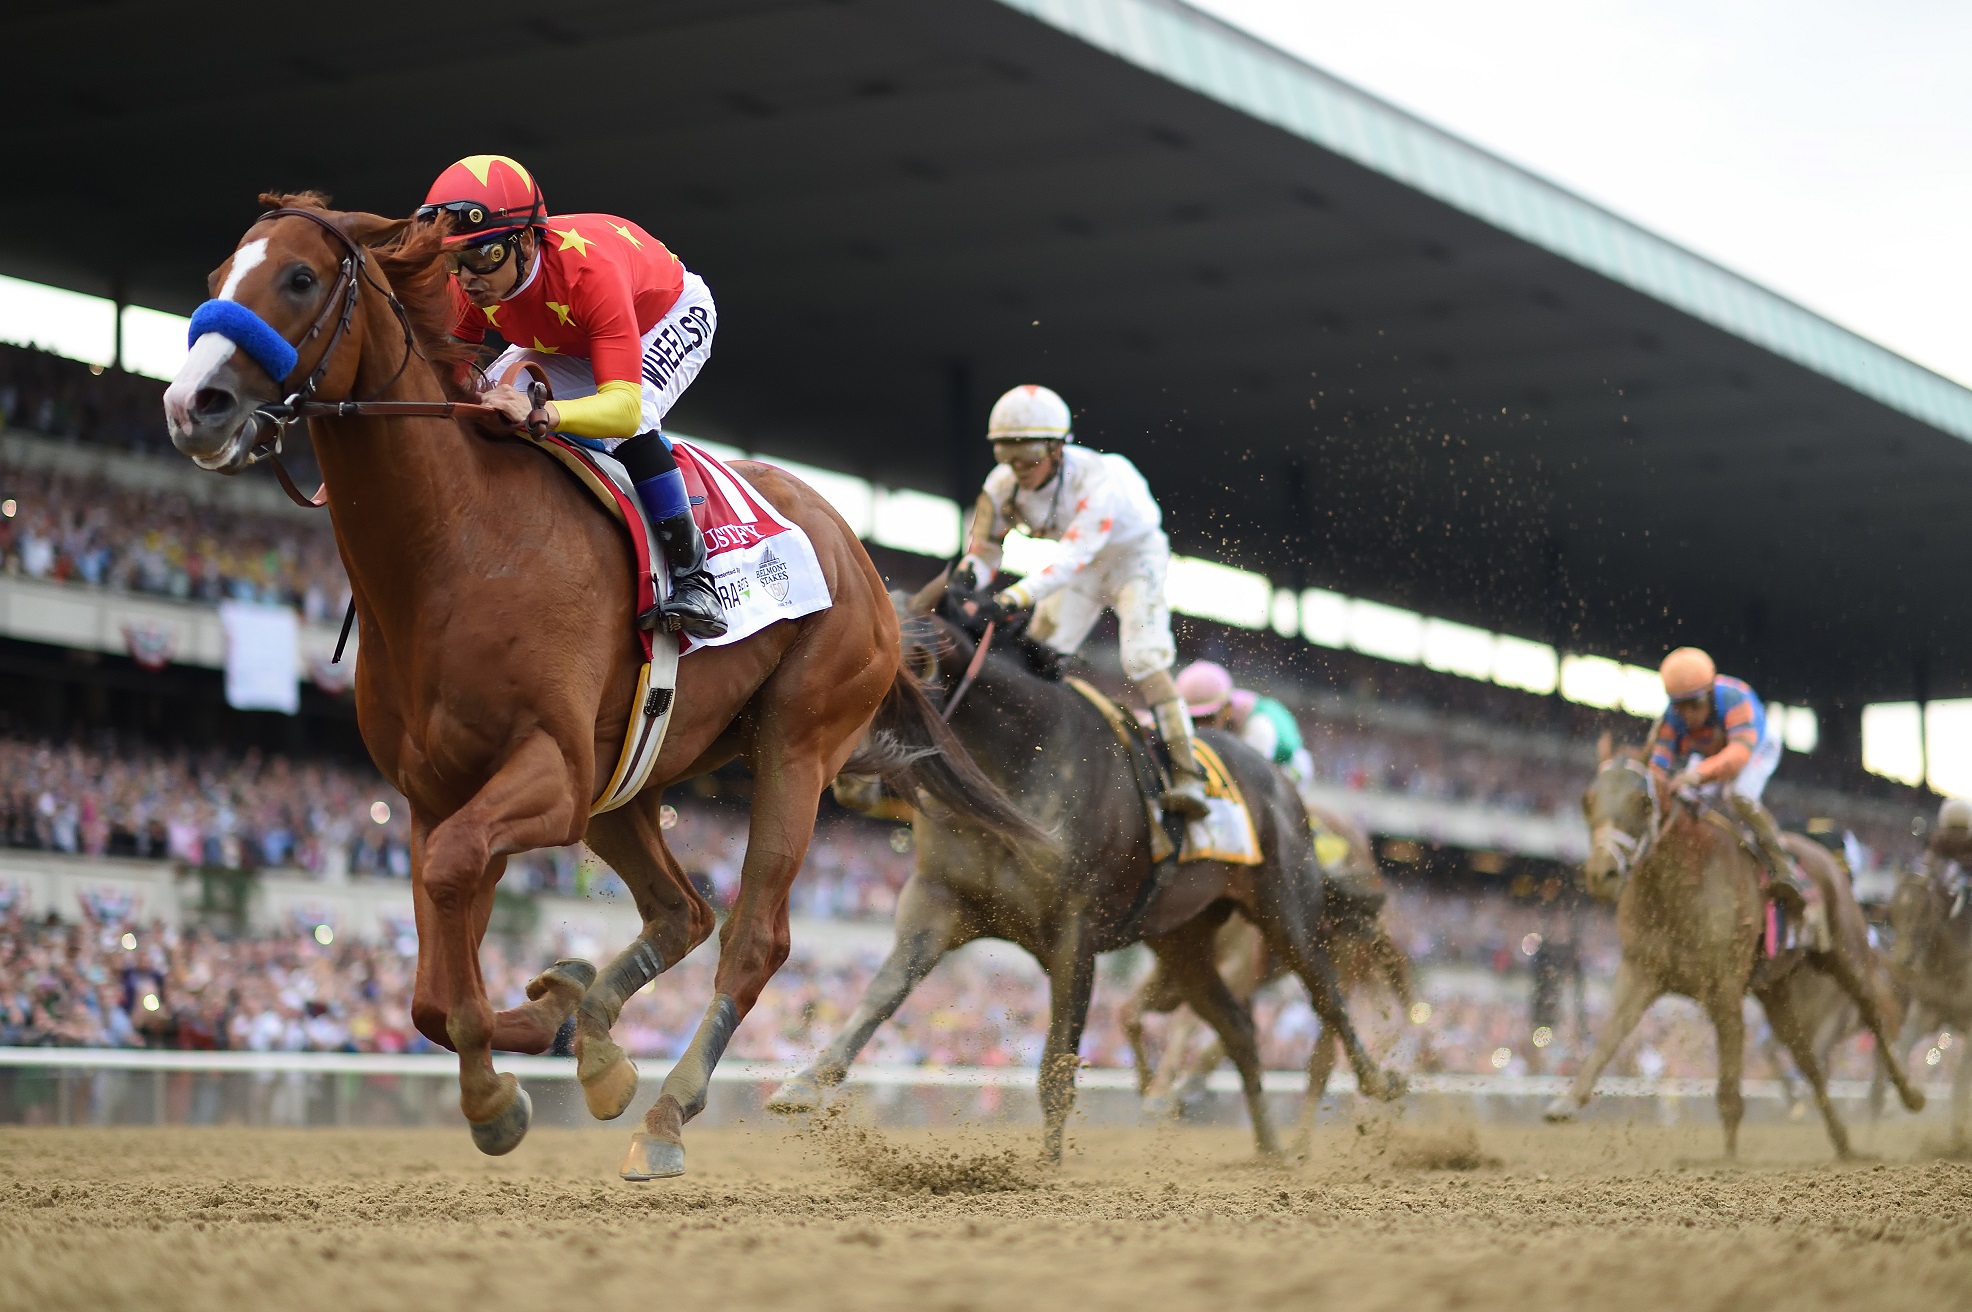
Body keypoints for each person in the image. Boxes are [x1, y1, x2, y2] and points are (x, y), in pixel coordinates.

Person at [417, 154, 725, 638]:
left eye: (482, 256)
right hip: (572, 335)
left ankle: (695, 578)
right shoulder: (471, 283)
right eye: (453, 260)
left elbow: (624, 409)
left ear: (524, 241)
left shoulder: (589, 274)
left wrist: (543, 412)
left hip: (662, 317)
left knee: (634, 424)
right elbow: (446, 382)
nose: (468, 277)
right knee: (484, 402)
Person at [956, 384, 1208, 820]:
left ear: (1057, 448)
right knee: (1038, 651)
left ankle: (1188, 774)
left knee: (1143, 659)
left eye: (1028, 458)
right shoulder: (1000, 485)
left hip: (1133, 559)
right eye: (1008, 457)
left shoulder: (1096, 479)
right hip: (1083, 564)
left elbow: (1072, 557)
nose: (1018, 470)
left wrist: (1012, 597)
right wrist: (967, 579)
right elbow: (984, 550)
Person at [1650, 646, 1827, 949]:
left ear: (1709, 693)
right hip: (1713, 755)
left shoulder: (1735, 698)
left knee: (1738, 795)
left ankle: (1784, 866)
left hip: (1754, 748)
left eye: (1695, 705)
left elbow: (1736, 758)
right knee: (1682, 798)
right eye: (1680, 708)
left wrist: (1696, 775)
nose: (1688, 716)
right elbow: (1658, 765)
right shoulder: (1671, 718)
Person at [1174, 660, 1314, 786]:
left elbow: (1252, 781)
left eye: (1207, 718)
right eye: (1192, 719)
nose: (1199, 727)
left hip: (1289, 768)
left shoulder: (1259, 728)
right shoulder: (1225, 707)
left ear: (1226, 710)